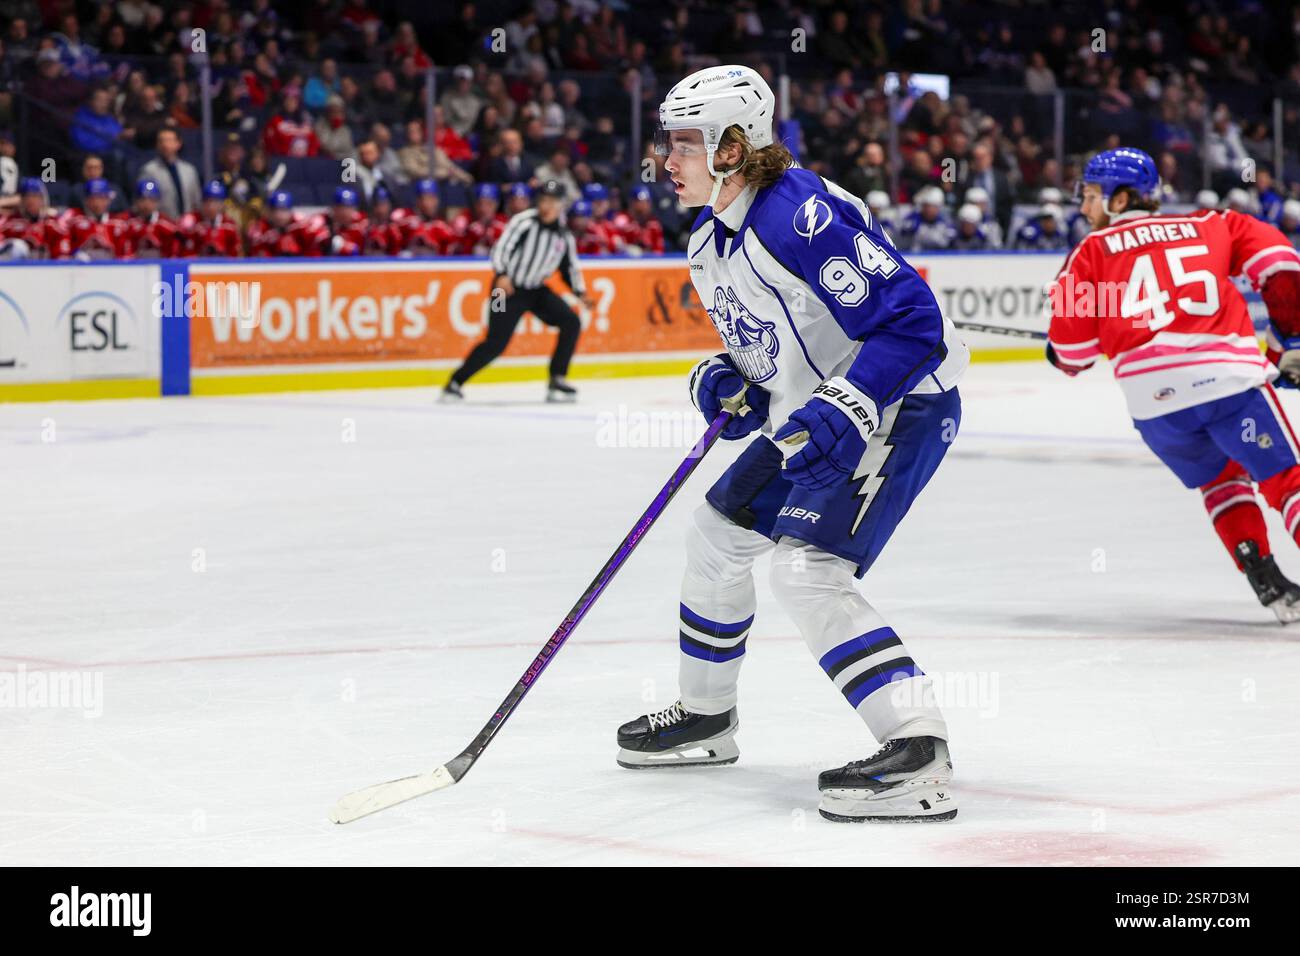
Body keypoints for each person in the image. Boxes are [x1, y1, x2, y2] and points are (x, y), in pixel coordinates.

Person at [615, 65, 969, 822]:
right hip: (819, 411)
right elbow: (766, 358)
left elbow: (913, 323)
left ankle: (918, 750)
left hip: (897, 408)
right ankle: (706, 717)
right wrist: (719, 381)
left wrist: (846, 404)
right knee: (715, 535)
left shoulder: (795, 216)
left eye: (682, 144)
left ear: (733, 146)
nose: (664, 161)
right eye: (664, 143)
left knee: (808, 571)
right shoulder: (711, 241)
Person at [1047, 147, 1300, 621]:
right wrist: (1291, 337)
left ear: (1121, 200)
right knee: (1286, 479)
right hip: (1226, 382)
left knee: (1219, 480)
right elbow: (1281, 263)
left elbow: (1072, 357)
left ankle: (1268, 583)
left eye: (1093, 195)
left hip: (1155, 405)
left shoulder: (1089, 252)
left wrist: (1058, 349)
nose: (1084, 207)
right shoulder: (1214, 224)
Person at [442, 180, 593, 404]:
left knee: (571, 322)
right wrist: (502, 274)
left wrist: (580, 293)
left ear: (561, 205)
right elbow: (501, 248)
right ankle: (455, 382)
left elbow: (569, 268)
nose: (546, 206)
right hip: (505, 290)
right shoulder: (524, 222)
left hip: (536, 290)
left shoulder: (563, 236)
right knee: (495, 343)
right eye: (543, 200)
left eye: (552, 201)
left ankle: (557, 379)